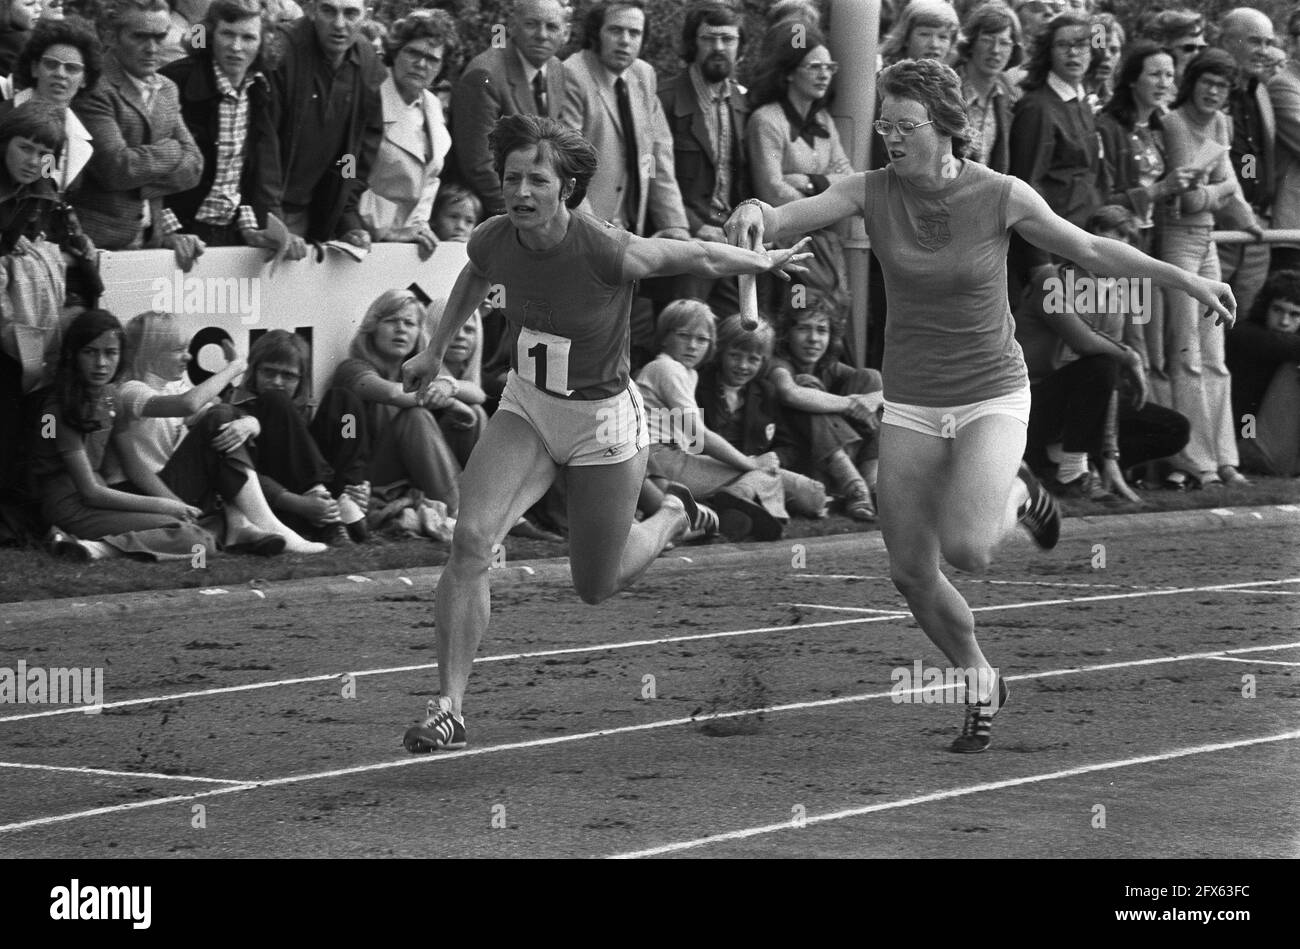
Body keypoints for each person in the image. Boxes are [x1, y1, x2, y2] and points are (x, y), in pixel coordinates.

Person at [723, 58, 1235, 753]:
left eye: (905, 126)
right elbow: (782, 216)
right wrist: (756, 212)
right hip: (910, 400)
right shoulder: (870, 189)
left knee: (968, 548)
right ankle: (979, 675)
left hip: (992, 391)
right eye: (885, 125)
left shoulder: (1000, 194)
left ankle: (1022, 498)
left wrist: (1181, 278)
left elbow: (1088, 247)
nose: (891, 138)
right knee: (910, 571)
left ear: (943, 128)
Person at [398, 113, 809, 752]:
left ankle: (673, 513)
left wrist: (761, 257)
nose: (521, 192)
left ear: (566, 189)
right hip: (528, 410)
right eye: (512, 179)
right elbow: (474, 274)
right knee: (472, 540)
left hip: (604, 429)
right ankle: (449, 703)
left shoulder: (607, 250)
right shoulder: (495, 236)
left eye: (538, 180)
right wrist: (434, 350)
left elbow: (695, 252)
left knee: (595, 583)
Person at [112, 311, 330, 555]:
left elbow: (217, 415)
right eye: (178, 350)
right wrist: (235, 368)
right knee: (220, 420)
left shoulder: (172, 385)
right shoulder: (130, 390)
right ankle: (260, 524)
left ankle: (244, 525)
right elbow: (189, 404)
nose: (189, 356)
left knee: (223, 422)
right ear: (149, 353)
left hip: (169, 485)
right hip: (144, 494)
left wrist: (250, 424)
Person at [1014, 204, 1190, 501]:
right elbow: (1089, 350)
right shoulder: (1051, 281)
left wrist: (1110, 451)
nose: (1106, 257)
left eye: (1119, 250)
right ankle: (1069, 471)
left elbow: (1108, 375)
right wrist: (1129, 357)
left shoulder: (1124, 289)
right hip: (1032, 401)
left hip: (1081, 399)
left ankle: (1075, 465)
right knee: (1103, 364)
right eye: (1100, 245)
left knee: (1174, 428)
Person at [1149, 49, 1259, 489]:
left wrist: (1250, 223)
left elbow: (1226, 191)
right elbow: (1189, 199)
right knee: (1186, 353)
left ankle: (1226, 459)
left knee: (1216, 355)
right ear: (1192, 83)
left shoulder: (1221, 123)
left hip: (1207, 240)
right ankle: (1197, 461)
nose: (1214, 92)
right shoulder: (1174, 123)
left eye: (1222, 86)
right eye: (1207, 83)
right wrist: (1224, 189)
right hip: (1176, 241)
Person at [33, 309, 216, 561]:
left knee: (202, 537)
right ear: (73, 356)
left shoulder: (111, 396)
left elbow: (134, 466)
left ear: (121, 356)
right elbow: (89, 491)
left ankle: (81, 545)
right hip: (70, 505)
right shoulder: (57, 408)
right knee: (195, 541)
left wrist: (179, 506)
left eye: (110, 353)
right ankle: (91, 549)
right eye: (90, 352)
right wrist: (165, 506)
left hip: (101, 497)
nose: (101, 364)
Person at [161, 0, 306, 258]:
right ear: (210, 34)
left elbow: (243, 176)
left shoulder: (260, 89)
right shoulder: (176, 81)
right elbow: (150, 168)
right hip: (180, 234)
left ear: (262, 42)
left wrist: (251, 227)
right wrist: (168, 231)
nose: (236, 47)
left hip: (229, 235)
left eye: (248, 37)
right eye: (227, 34)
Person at [636, 298, 785, 543]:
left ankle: (726, 507)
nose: (693, 346)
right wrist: (749, 463)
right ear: (663, 337)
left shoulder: (687, 372)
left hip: (668, 457)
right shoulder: (666, 368)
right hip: (659, 457)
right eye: (684, 335)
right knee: (767, 475)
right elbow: (699, 436)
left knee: (768, 474)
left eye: (702, 339)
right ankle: (734, 503)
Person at [70, 0, 204, 267]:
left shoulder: (167, 88)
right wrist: (171, 151)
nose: (152, 48)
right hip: (96, 246)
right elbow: (116, 168)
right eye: (140, 36)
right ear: (111, 35)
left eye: (159, 37)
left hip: (150, 239)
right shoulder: (94, 87)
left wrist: (136, 175)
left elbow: (195, 167)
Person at [746, 21, 853, 315]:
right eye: (814, 67)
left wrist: (806, 181)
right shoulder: (766, 120)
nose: (824, 74)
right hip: (783, 247)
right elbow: (772, 190)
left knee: (826, 323)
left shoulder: (824, 122)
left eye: (829, 67)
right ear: (790, 72)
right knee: (792, 321)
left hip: (824, 247)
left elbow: (849, 178)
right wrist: (830, 202)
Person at [226, 328, 371, 545]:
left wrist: (357, 486)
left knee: (344, 403)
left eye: (288, 376)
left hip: (327, 494)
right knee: (276, 399)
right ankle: (331, 520)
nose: (277, 381)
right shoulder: (234, 407)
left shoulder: (303, 408)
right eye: (269, 372)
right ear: (253, 372)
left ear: (301, 380)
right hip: (282, 501)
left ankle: (348, 497)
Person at [334, 288, 466, 520]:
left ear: (419, 333)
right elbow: (394, 394)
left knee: (473, 415)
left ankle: (489, 506)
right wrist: (450, 403)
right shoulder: (352, 368)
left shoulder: (417, 373)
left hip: (412, 474)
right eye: (391, 321)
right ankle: (459, 512)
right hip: (368, 482)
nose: (401, 329)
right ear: (373, 327)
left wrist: (450, 391)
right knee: (416, 417)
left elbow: (477, 395)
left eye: (409, 323)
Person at [657, 1, 750, 308]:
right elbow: (657, 179)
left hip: (733, 241)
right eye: (709, 38)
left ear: (740, 46)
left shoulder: (741, 101)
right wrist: (697, 227)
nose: (719, 47)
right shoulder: (665, 99)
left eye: (728, 39)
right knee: (686, 329)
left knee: (737, 335)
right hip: (689, 243)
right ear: (692, 43)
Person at [269, 0, 384, 247]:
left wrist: (346, 216)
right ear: (311, 10)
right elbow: (262, 144)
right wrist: (271, 219)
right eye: (329, 10)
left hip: (310, 212)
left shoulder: (367, 61)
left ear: (367, 16)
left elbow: (355, 155)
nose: (339, 24)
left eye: (351, 13)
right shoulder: (282, 49)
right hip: (260, 210)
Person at [695, 312, 827, 521]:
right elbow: (690, 443)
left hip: (756, 469)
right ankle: (747, 499)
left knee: (814, 495)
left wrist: (774, 459)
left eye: (753, 359)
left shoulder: (765, 392)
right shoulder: (698, 385)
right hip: (711, 466)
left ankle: (737, 500)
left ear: (764, 361)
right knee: (782, 487)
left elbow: (788, 446)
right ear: (721, 352)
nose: (743, 366)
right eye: (735, 355)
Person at [769, 292, 883, 520]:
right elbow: (790, 393)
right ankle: (854, 487)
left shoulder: (829, 366)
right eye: (803, 329)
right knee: (806, 385)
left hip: (844, 450)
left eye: (822, 330)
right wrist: (851, 403)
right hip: (804, 460)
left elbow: (888, 392)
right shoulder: (778, 363)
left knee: (870, 378)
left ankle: (873, 485)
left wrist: (874, 398)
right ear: (787, 334)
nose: (813, 339)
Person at [453, 0, 568, 219]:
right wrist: (526, 216)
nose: (542, 34)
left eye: (551, 27)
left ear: (565, 33)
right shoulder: (485, 74)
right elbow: (480, 166)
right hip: (492, 217)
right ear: (513, 26)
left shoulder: (556, 69)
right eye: (532, 24)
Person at [358, 8, 457, 257]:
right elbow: (343, 173)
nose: (421, 64)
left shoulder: (432, 105)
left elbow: (431, 176)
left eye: (432, 59)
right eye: (413, 52)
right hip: (360, 236)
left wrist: (418, 225)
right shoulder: (369, 95)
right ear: (395, 52)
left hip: (406, 244)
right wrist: (385, 229)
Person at [1214, 8, 1278, 318]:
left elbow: (1251, 156)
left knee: (1243, 314)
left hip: (1256, 227)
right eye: (1255, 41)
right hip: (1217, 223)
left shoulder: (1260, 91)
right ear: (1227, 41)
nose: (1264, 51)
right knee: (1205, 313)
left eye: (1268, 43)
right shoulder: (1208, 89)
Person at [4, 14, 101, 194]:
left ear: (85, 79)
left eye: (71, 68)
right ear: (34, 68)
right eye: (51, 64)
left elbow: (45, 183)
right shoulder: (4, 116)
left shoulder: (76, 136)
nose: (60, 74)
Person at [1226, 269, 1300, 476]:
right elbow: (1284, 345)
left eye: (1294, 314)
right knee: (1293, 367)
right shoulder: (1245, 334)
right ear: (1265, 307)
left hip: (1278, 437)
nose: (1284, 321)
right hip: (1245, 436)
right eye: (1278, 310)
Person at [952, 2, 1023, 174]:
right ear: (970, 43)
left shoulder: (1007, 99)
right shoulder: (946, 90)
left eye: (1004, 43)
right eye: (987, 40)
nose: (995, 50)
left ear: (1013, 50)